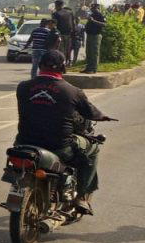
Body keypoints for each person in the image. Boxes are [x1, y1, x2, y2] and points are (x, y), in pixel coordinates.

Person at [16, 50, 115, 214]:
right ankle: (81, 197)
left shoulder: (23, 87)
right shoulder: (72, 91)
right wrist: (103, 117)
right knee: (94, 149)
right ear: (63, 67)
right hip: (59, 147)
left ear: (40, 65)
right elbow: (91, 113)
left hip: (23, 143)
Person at [83, 2, 107, 74]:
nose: (92, 9)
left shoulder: (100, 15)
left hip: (96, 35)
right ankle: (88, 67)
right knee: (88, 52)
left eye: (94, 8)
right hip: (90, 35)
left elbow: (104, 24)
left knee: (94, 53)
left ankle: (93, 69)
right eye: (92, 8)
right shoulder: (92, 14)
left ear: (98, 8)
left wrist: (93, 21)